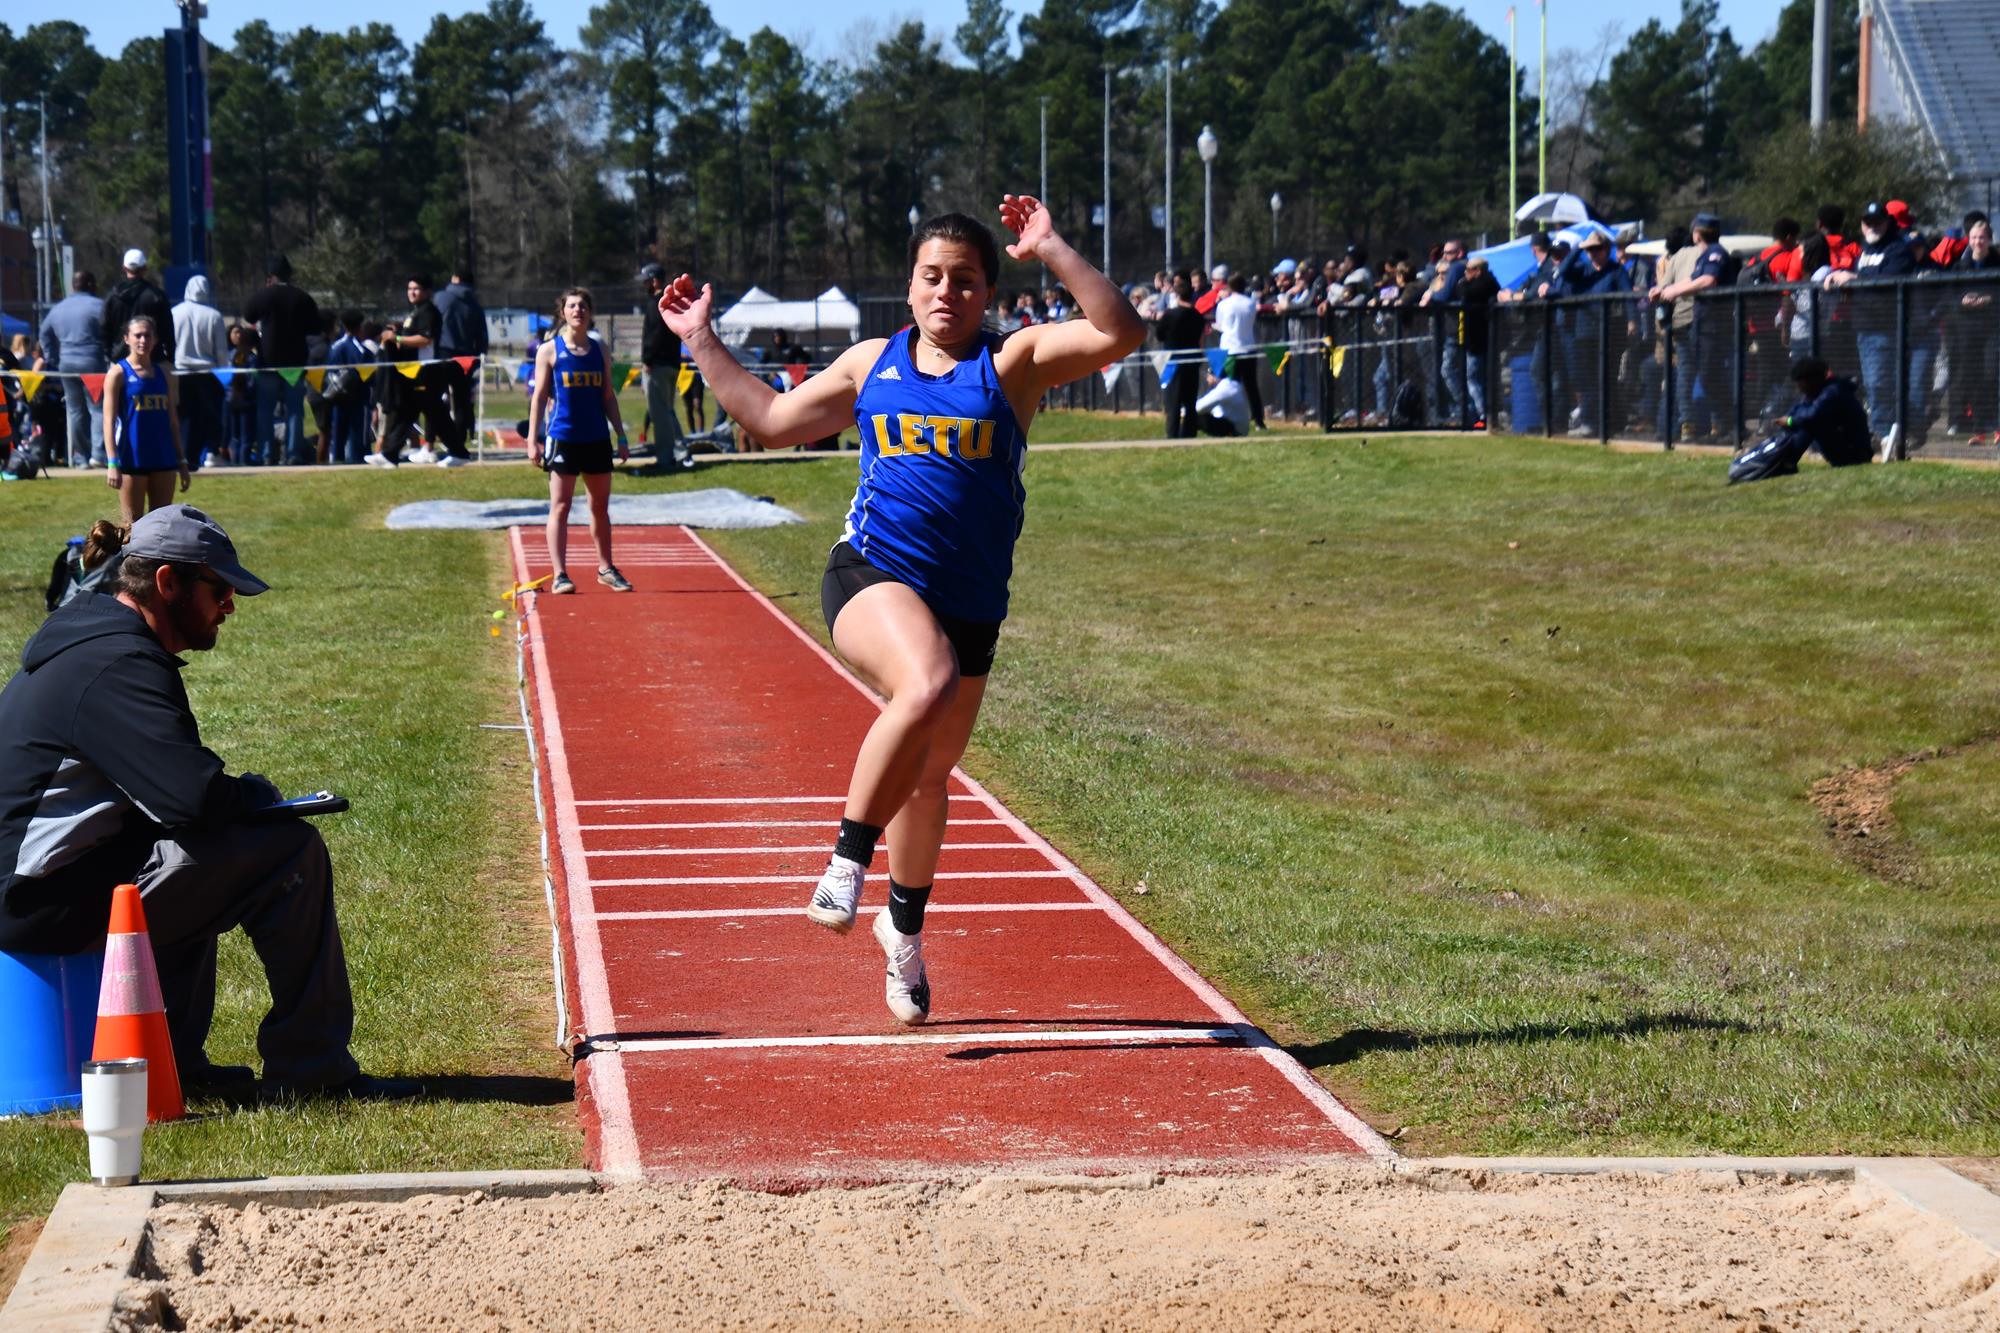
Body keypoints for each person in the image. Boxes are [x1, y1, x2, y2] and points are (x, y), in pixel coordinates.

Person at [656, 195, 1147, 1025]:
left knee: (927, 776)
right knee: (925, 683)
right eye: (932, 276)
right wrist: (701, 339)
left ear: (988, 293)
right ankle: (844, 863)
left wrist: (1053, 247)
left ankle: (905, 933)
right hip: (870, 574)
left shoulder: (1014, 362)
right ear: (910, 285)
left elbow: (1120, 332)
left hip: (971, 604)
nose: (946, 292)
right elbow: (771, 420)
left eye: (965, 280)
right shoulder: (870, 362)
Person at [0, 506, 421, 1102]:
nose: (229, 605)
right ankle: (314, 1069)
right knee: (287, 850)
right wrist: (260, 796)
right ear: (167, 583)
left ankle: (174, 1059)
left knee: (190, 849)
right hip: (35, 904)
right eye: (219, 589)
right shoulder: (118, 662)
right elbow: (191, 797)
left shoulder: (94, 641)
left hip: (36, 886)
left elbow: (171, 795)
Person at [526, 288, 632, 595]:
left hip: (596, 438)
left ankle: (606, 569)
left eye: (583, 305)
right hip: (563, 438)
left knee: (600, 507)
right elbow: (539, 398)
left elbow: (608, 396)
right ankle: (560, 574)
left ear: (590, 312)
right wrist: (532, 440)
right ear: (563, 312)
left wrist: (621, 435)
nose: (578, 310)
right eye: (572, 306)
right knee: (560, 506)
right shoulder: (550, 350)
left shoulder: (600, 349)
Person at [1651, 212, 1736, 442]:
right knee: (1704, 375)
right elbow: (1694, 278)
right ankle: (1721, 427)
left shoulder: (1715, 252)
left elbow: (1708, 280)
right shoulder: (1705, 254)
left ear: (1697, 233)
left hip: (1713, 325)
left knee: (1709, 375)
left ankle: (1728, 426)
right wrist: (1665, 289)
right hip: (1702, 323)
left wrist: (1674, 291)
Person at [102, 317, 189, 524]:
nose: (143, 340)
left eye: (148, 335)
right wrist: (112, 462)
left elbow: (173, 421)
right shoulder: (118, 373)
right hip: (133, 459)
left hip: (164, 458)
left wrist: (182, 461)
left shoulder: (164, 374)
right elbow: (108, 421)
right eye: (138, 335)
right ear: (127, 339)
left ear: (155, 339)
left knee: (162, 527)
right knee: (132, 527)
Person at [242, 256, 322, 465]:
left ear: (271, 277)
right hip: (295, 363)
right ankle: (293, 454)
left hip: (268, 362)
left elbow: (248, 315)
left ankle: (266, 454)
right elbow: (316, 327)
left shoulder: (265, 295)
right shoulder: (302, 297)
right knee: (295, 410)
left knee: (265, 410)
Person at [37, 271, 109, 467]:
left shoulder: (58, 308)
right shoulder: (99, 305)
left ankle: (81, 458)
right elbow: (111, 331)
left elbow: (44, 333)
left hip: (67, 363)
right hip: (92, 362)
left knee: (75, 411)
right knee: (97, 409)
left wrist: (53, 357)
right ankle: (98, 454)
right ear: (90, 284)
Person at [1944, 218, 1995, 444]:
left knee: (1992, 373)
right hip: (1967, 329)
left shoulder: (1996, 264)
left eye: (1982, 237)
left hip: (1993, 329)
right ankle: (1979, 428)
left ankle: (1995, 425)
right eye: (1974, 237)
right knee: (1974, 376)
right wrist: (1962, 301)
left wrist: (1988, 300)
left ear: (1990, 239)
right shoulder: (1960, 266)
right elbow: (1950, 296)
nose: (1978, 241)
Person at [637, 263, 692, 469]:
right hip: (671, 363)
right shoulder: (671, 302)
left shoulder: (656, 303)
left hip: (657, 365)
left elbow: (654, 335)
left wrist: (647, 359)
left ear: (654, 280)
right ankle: (682, 452)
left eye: (646, 281)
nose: (644, 285)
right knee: (667, 411)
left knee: (659, 413)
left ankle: (665, 458)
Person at [172, 276, 229, 470]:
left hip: (180, 372)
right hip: (206, 372)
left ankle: (184, 454)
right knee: (209, 415)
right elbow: (221, 350)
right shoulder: (214, 315)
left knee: (184, 416)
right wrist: (223, 369)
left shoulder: (174, 313)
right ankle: (212, 452)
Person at [432, 269, 485, 462]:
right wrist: (477, 359)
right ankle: (459, 444)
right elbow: (482, 336)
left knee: (434, 400)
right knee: (463, 403)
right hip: (467, 357)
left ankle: (437, 442)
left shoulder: (441, 297)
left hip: (443, 353)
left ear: (455, 278)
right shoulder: (475, 303)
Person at [1154, 270, 1206, 437]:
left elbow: (1159, 335)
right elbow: (1200, 337)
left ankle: (1172, 433)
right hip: (1192, 360)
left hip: (1173, 360)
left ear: (1176, 295)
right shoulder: (1198, 316)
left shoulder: (1169, 315)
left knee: (1173, 400)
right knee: (1190, 400)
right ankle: (1189, 433)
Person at [102, 249, 174, 366]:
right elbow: (167, 330)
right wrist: (170, 357)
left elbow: (104, 328)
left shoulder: (112, 297)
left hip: (120, 360)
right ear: (145, 268)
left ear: (124, 268)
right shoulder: (156, 296)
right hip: (152, 359)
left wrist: (109, 354)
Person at [1212, 271, 1265, 430]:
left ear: (1229, 287)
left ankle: (1227, 416)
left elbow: (1220, 325)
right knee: (1251, 387)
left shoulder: (1223, 304)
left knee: (1228, 386)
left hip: (1229, 350)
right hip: (1248, 348)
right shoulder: (1250, 303)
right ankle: (1259, 420)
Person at [325, 310, 374, 465]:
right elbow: (368, 372)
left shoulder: (335, 346)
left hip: (338, 395)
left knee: (339, 431)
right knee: (358, 433)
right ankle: (358, 459)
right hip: (359, 396)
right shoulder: (360, 348)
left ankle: (337, 459)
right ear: (360, 326)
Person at [1192, 370, 1251, 435]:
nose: (1207, 379)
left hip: (1234, 431)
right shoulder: (1235, 384)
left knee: (1194, 417)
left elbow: (1198, 407)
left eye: (1209, 375)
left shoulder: (1224, 387)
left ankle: (1186, 436)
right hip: (1240, 429)